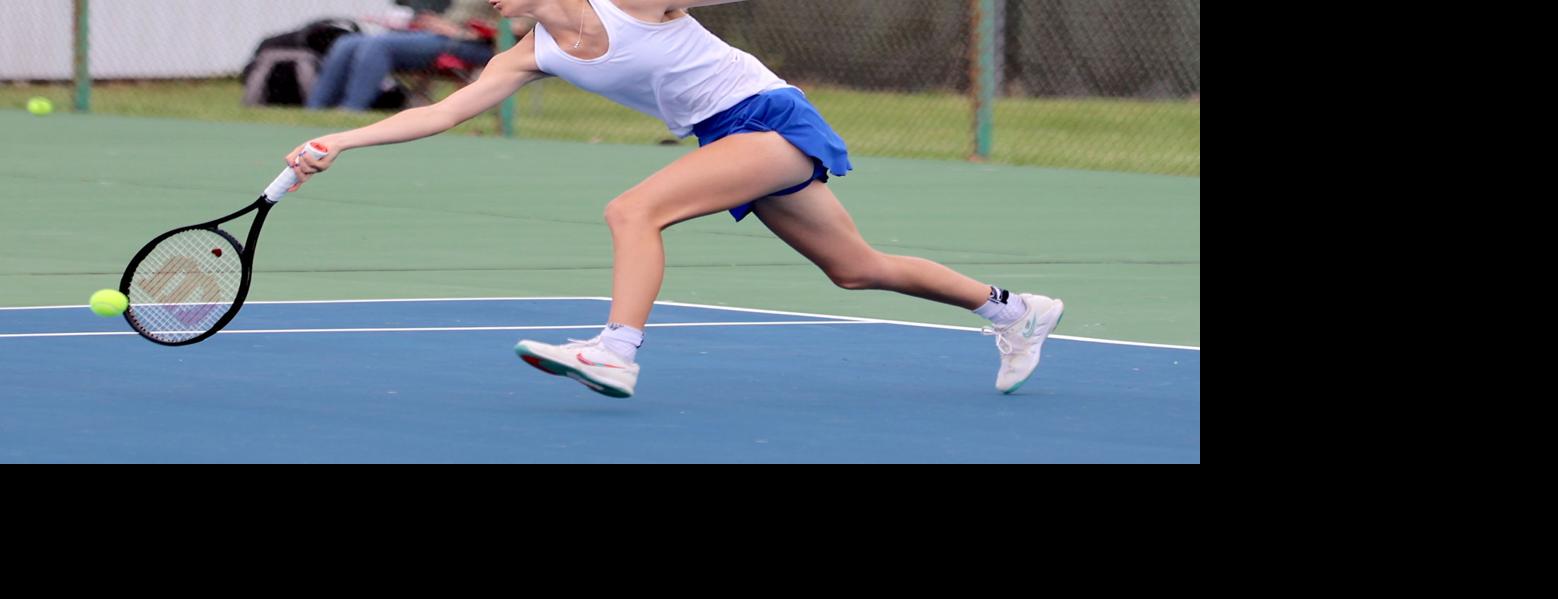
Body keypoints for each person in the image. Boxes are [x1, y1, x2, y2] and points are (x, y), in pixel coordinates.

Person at [287, 0, 1064, 399]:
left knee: (633, 209)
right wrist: (338, 143)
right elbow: (443, 112)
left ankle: (616, 353)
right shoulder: (529, 51)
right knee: (855, 269)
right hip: (724, 138)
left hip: (770, 118)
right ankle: (1013, 310)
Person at [307, 0, 522, 111]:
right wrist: (436, 23)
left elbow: (519, 28)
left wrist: (460, 32)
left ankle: (352, 109)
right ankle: (316, 109)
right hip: (440, 35)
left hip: (472, 44)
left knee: (378, 46)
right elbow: (456, 17)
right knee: (348, 42)